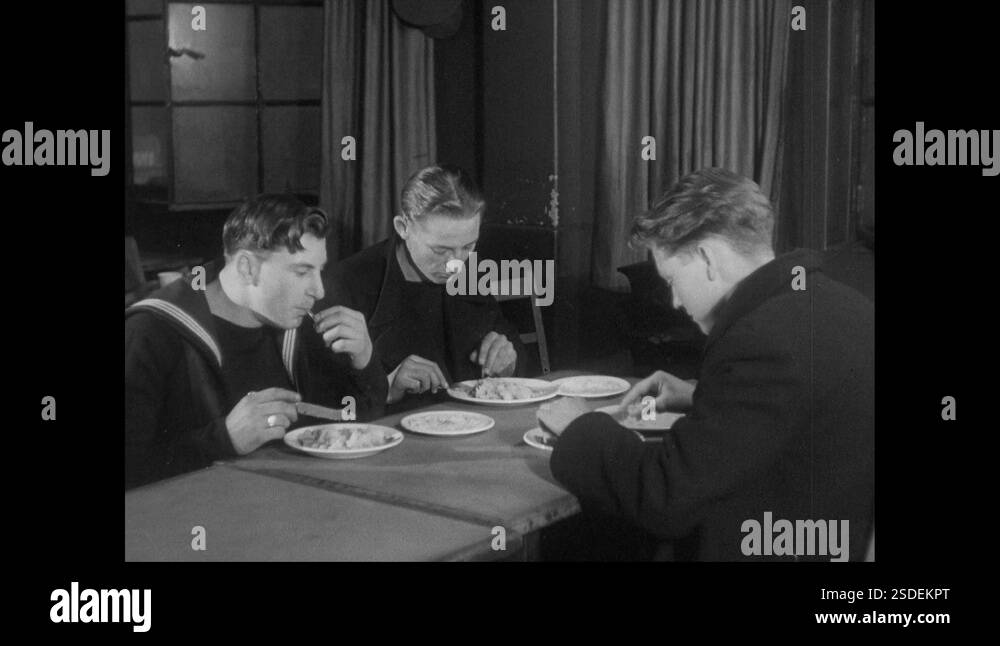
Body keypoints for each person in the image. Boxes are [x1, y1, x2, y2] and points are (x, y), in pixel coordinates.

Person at [538, 168, 874, 561]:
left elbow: (665, 497)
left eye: (672, 280)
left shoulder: (758, 340)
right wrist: (702, 396)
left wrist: (578, 426)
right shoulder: (844, 305)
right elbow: (797, 416)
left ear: (707, 257)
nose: (675, 302)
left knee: (576, 540)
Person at [125, 195, 387, 489]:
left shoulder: (299, 321)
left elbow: (356, 428)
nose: (319, 289)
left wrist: (364, 359)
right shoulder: (149, 333)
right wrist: (224, 439)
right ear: (247, 268)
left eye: (320, 270)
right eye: (302, 272)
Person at [322, 165, 526, 413]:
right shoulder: (345, 284)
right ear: (403, 227)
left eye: (468, 246)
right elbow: (323, 403)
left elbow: (507, 341)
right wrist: (385, 388)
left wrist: (508, 362)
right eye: (440, 250)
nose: (455, 264)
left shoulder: (468, 270)